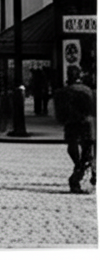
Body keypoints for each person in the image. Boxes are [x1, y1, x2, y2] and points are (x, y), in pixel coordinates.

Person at [53, 65, 96, 194]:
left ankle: (78, 170)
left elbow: (60, 113)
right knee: (87, 150)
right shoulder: (88, 90)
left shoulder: (64, 92)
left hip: (72, 123)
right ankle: (80, 170)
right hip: (86, 123)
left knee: (73, 148)